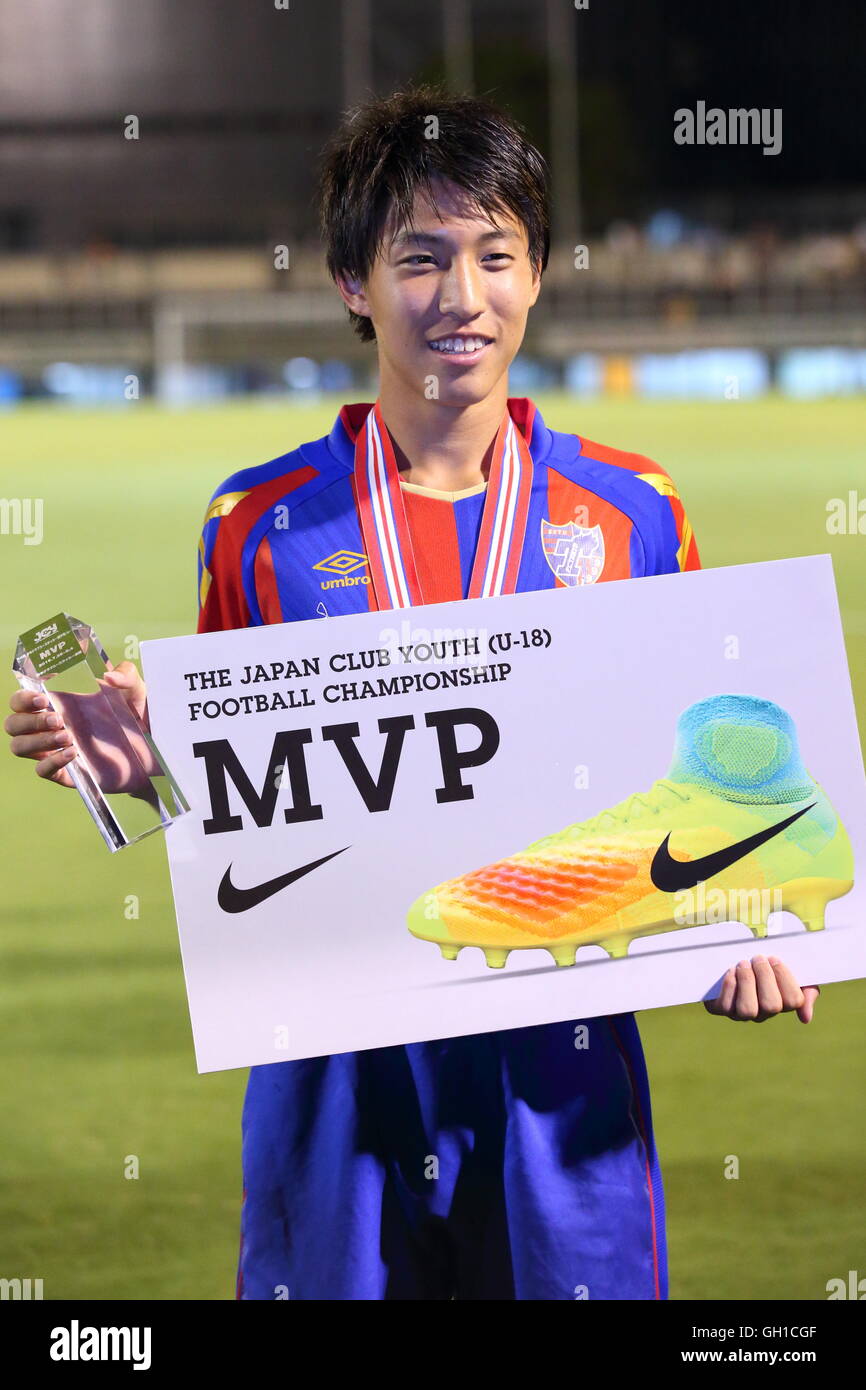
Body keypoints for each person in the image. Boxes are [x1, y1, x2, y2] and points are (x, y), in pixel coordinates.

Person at [6, 84, 820, 1301]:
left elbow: (696, 791)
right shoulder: (262, 524)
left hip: (562, 1051)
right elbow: (247, 814)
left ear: (537, 272)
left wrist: (739, 931)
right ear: (351, 282)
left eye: (496, 254)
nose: (462, 296)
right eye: (420, 259)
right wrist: (140, 766)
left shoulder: (630, 510)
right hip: (336, 1058)